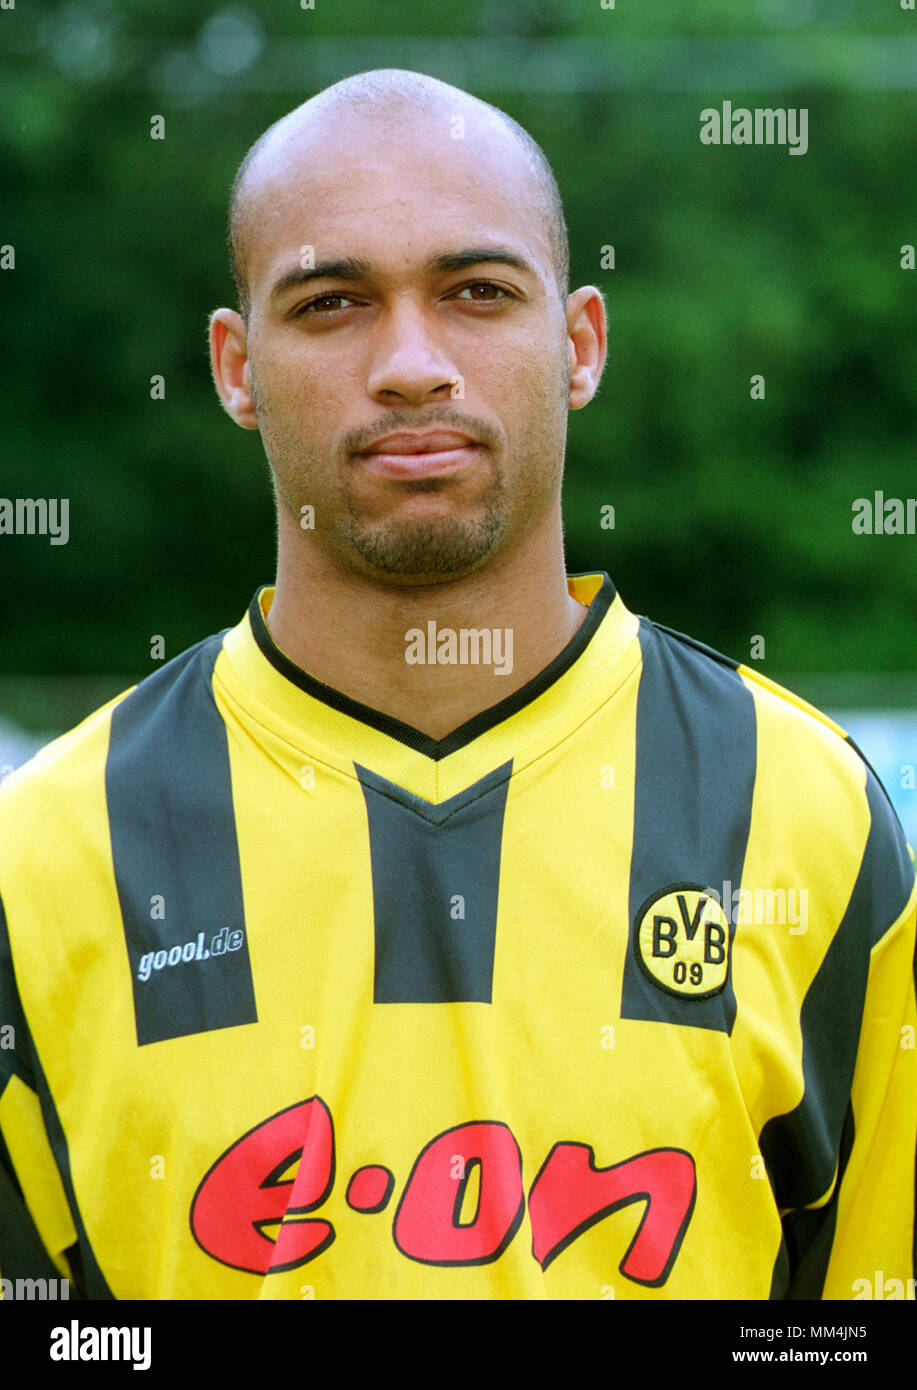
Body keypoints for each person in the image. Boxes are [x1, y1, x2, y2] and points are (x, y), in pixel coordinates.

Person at [0, 68, 914, 1302]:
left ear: (578, 343)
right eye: (331, 303)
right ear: (233, 365)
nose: (412, 364)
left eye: (476, 292)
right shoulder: (45, 855)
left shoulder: (812, 819)